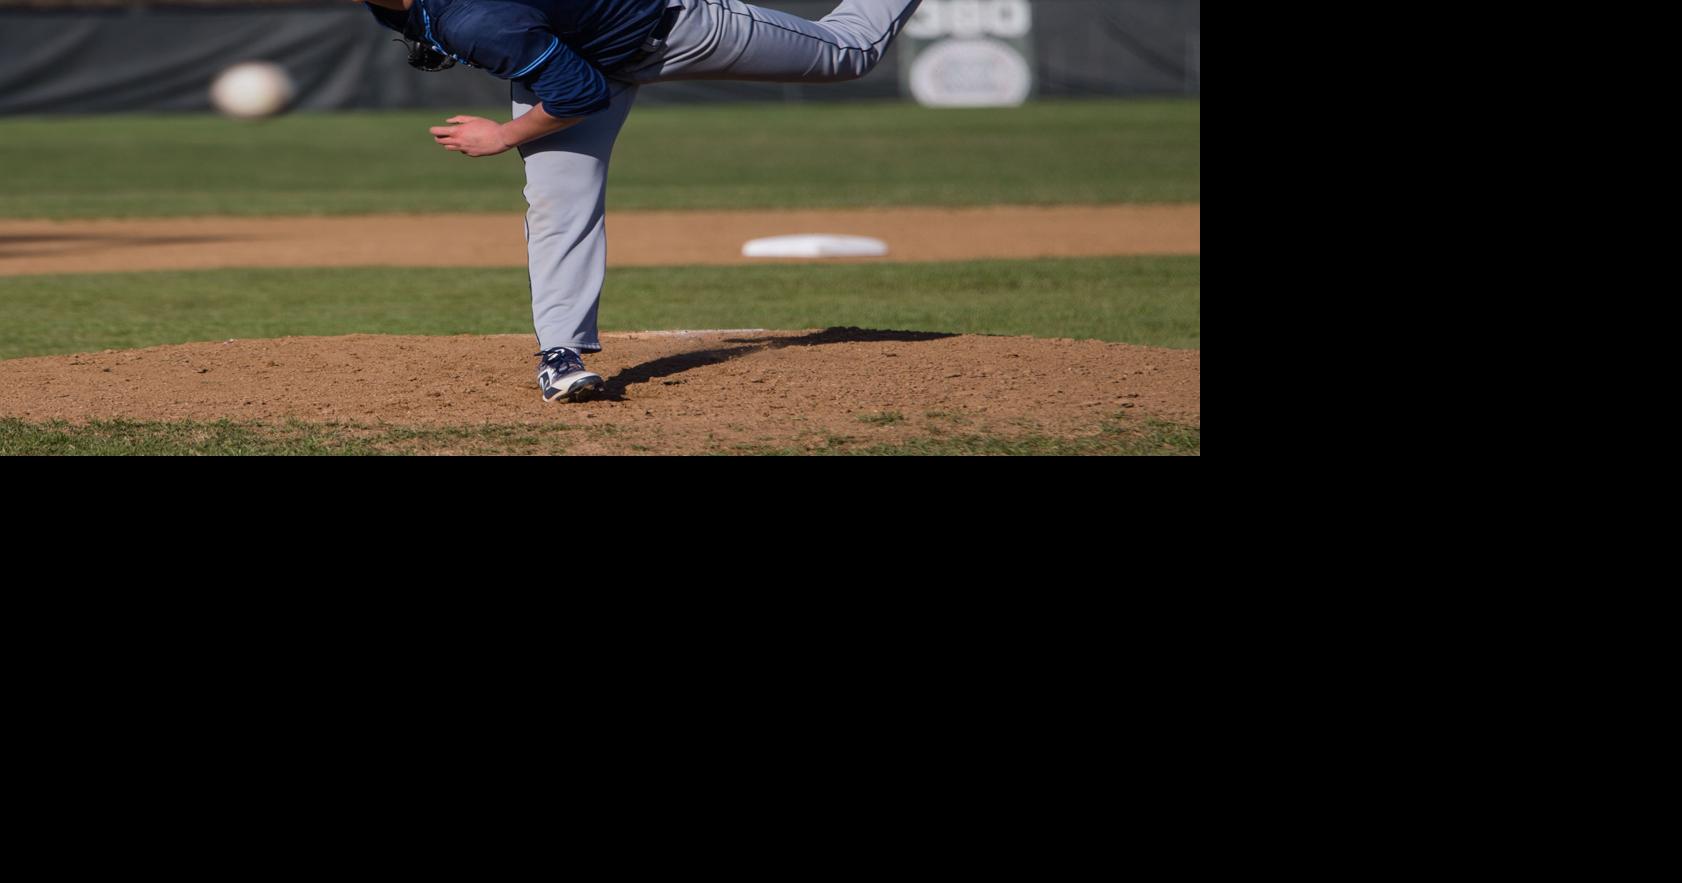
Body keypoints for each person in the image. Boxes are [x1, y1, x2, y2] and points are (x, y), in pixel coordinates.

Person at [356, 0, 923, 402]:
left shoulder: (477, 18)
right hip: (568, 62)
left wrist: (502, 135)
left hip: (669, 28)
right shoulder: (409, 8)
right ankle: (561, 356)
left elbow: (580, 94)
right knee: (557, 203)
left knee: (850, 52)